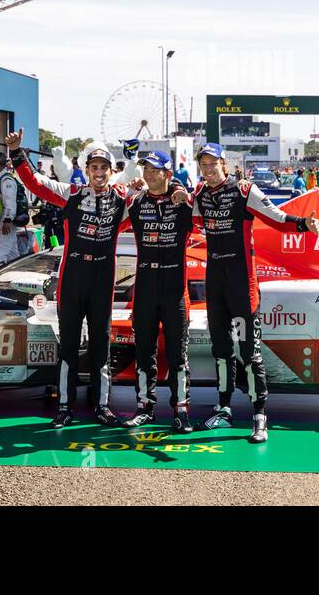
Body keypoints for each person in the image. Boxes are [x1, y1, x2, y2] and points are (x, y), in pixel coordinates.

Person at [191, 143, 319, 443]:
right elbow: (190, 221)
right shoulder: (199, 195)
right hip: (215, 282)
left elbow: (276, 218)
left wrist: (304, 223)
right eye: (204, 165)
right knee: (221, 351)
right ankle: (223, 410)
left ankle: (259, 416)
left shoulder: (243, 190)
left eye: (213, 164)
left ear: (224, 163)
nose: (208, 170)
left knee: (249, 353)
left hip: (242, 283)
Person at [7, 132, 127, 428]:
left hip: (102, 279)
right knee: (69, 346)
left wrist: (175, 189)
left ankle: (102, 406)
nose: (99, 173)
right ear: (87, 170)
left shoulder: (123, 199)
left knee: (101, 346)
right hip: (72, 278)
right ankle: (63, 406)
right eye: (94, 168)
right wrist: (16, 152)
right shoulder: (71, 193)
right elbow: (35, 182)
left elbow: (157, 193)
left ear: (112, 171)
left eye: (104, 168)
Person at [123, 151, 194, 432]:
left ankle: (181, 410)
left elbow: (206, 207)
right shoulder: (136, 202)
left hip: (175, 287)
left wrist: (182, 191)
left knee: (178, 355)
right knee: (144, 352)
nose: (149, 174)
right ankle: (144, 407)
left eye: (155, 169)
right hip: (146, 286)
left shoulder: (183, 201)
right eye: (146, 169)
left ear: (167, 173)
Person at [0, 152, 28, 266]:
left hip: (5, 224)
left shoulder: (6, 180)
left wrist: (7, 220)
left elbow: (10, 202)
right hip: (1, 223)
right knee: (12, 257)